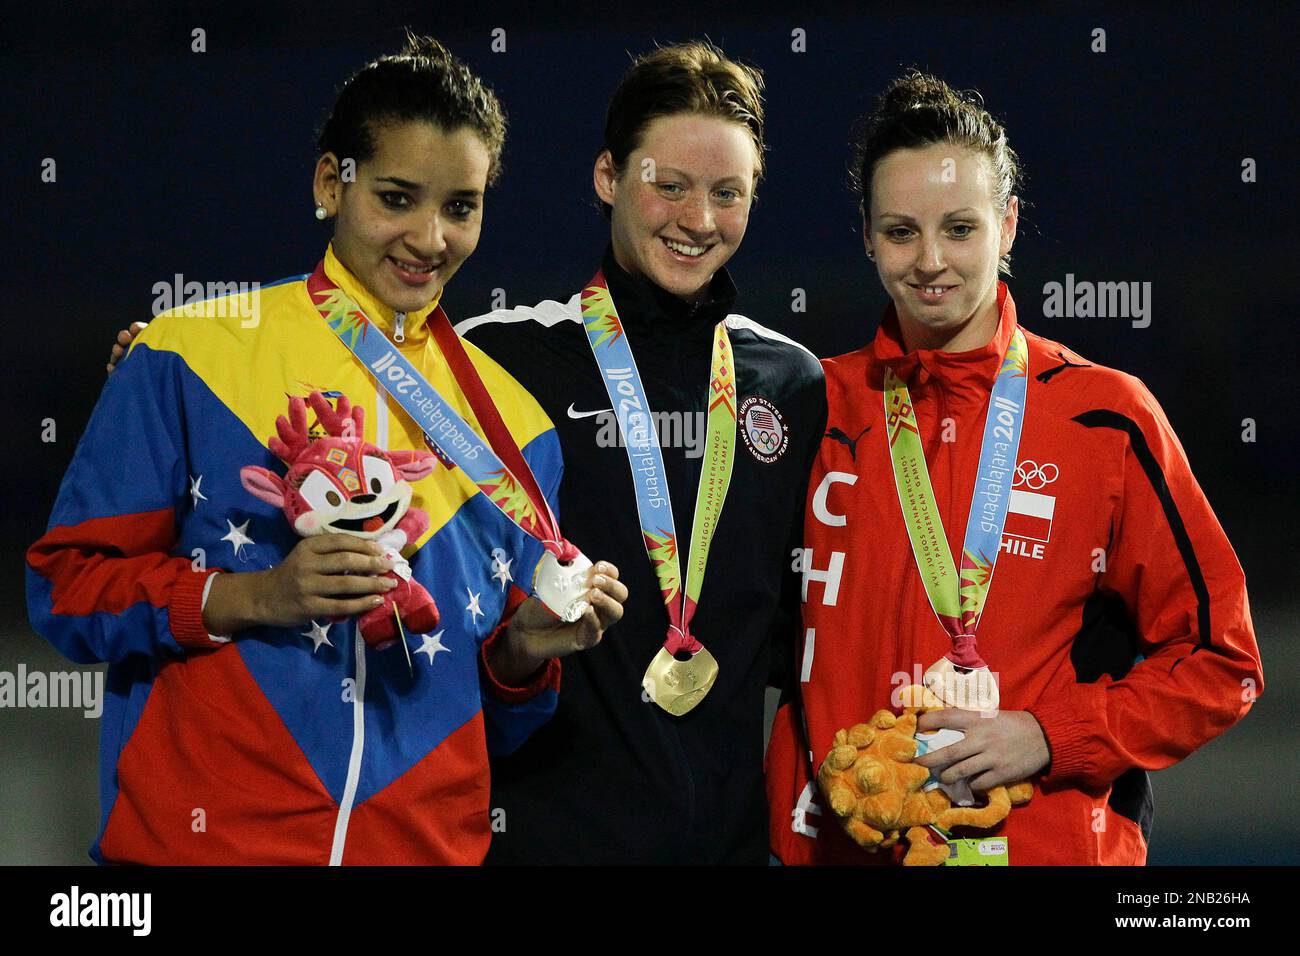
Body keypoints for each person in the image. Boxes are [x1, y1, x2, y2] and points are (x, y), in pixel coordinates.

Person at [108, 40, 827, 865]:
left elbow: (813, 618)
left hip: (730, 847)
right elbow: (346, 352)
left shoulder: (792, 385)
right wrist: (170, 361)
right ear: (608, 179)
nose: (698, 219)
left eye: (727, 193)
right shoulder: (493, 368)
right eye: (669, 184)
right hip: (533, 839)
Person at [29, 34, 626, 866]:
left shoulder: (515, 426)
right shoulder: (189, 355)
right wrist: (259, 596)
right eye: (396, 196)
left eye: (461, 206)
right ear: (328, 184)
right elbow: (66, 592)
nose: (429, 238)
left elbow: (502, 722)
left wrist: (528, 650)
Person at [765, 71, 1263, 865]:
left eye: (960, 228)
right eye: (900, 232)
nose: (930, 261)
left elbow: (1222, 662)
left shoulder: (1105, 418)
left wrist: (1048, 735)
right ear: (865, 234)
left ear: (1009, 225)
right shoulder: (814, 407)